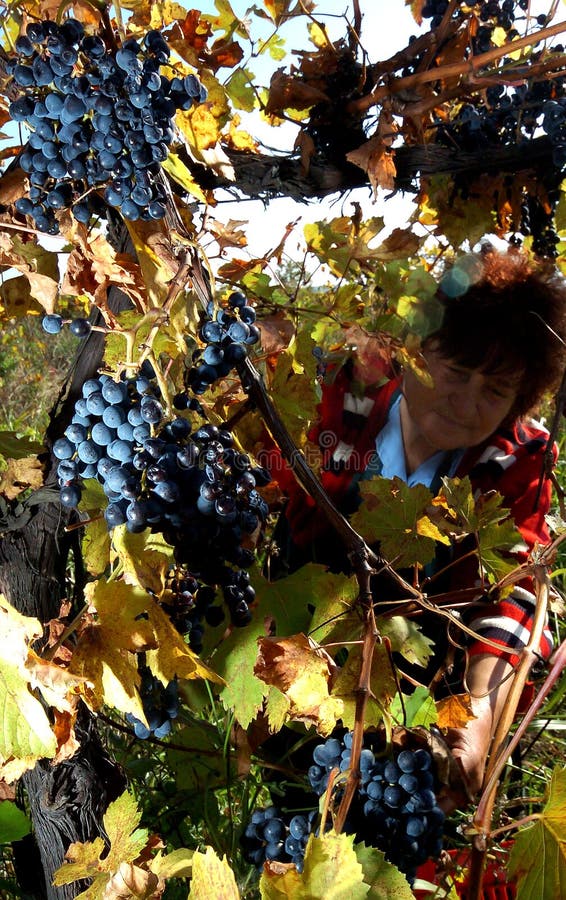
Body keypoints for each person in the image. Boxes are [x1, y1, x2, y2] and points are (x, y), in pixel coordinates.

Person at [266, 245, 566, 809]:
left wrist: (478, 715)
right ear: (414, 351)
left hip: (427, 692)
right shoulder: (334, 388)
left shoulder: (519, 455)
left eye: (496, 392)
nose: (467, 403)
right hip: (295, 651)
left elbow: (516, 585)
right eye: (455, 372)